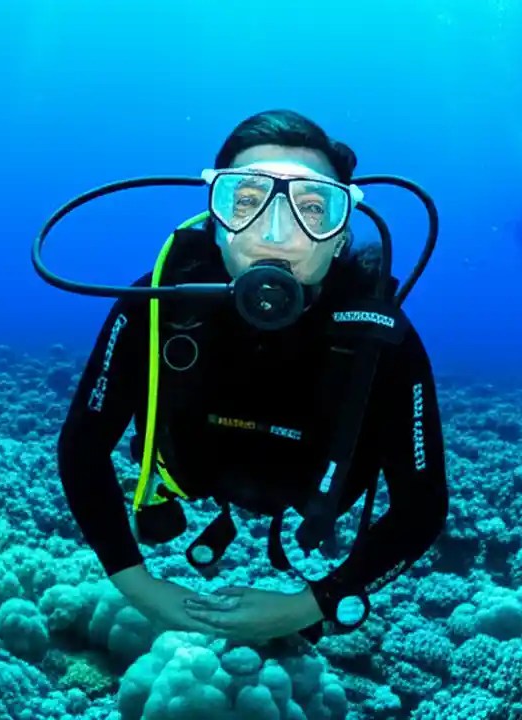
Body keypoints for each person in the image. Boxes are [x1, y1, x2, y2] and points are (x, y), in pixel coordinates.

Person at [37, 110, 448, 644]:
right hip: (190, 475)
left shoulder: (380, 337)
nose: (276, 235)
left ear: (340, 235)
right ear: (216, 218)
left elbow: (422, 507)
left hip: (308, 500)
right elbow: (82, 448)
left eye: (312, 207)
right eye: (248, 201)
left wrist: (312, 603)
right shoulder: (156, 305)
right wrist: (136, 584)